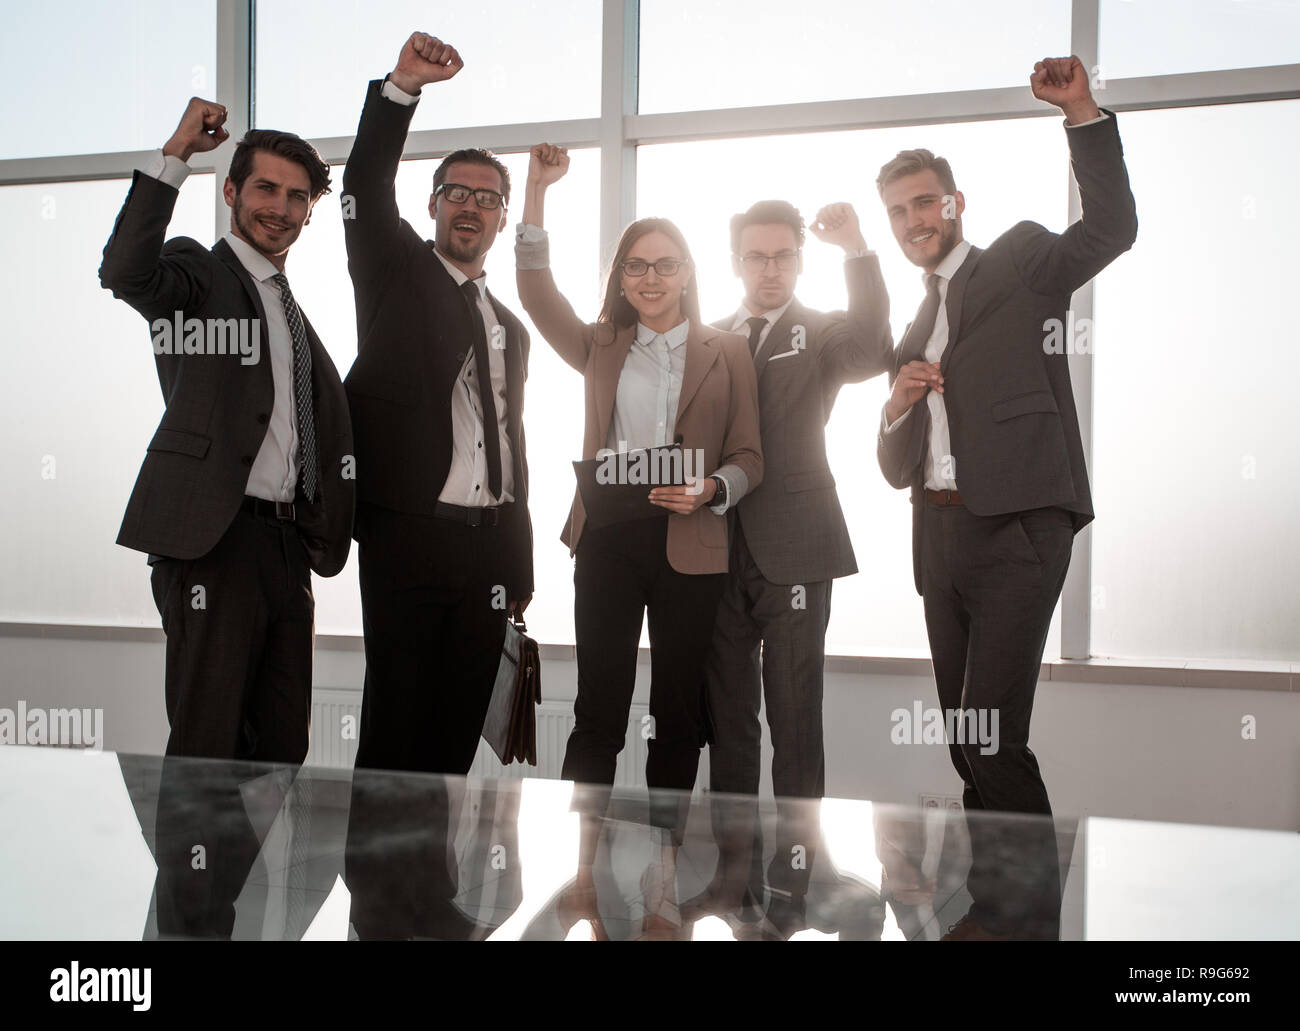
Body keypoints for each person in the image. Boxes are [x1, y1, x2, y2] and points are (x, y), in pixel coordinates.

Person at [876, 56, 1138, 940]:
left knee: (994, 738)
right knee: (963, 740)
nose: (915, 220)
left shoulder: (1023, 260)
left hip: (1020, 527)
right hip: (939, 538)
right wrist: (897, 406)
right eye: (900, 211)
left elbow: (1111, 226)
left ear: (954, 204)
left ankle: (1027, 927)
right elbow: (893, 463)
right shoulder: (914, 328)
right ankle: (995, 912)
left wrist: (1081, 114)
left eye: (926, 202)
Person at [516, 143, 762, 937]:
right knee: (600, 708)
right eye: (635, 267)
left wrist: (713, 489)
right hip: (612, 538)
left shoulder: (729, 350)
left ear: (688, 271)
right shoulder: (600, 345)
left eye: (664, 264)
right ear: (621, 278)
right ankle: (581, 874)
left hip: (693, 540)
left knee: (679, 712)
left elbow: (751, 455)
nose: (650, 278)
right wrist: (538, 191)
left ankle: (661, 883)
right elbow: (532, 287)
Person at [99, 96, 354, 763]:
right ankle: (191, 872)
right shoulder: (201, 276)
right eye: (266, 188)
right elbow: (125, 272)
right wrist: (176, 153)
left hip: (287, 550)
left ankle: (244, 873)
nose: (281, 206)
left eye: (298, 196)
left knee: (278, 756)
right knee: (207, 752)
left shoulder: (291, 310)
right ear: (232, 190)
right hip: (216, 541)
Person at [691, 199, 893, 936]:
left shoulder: (824, 331)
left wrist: (857, 251)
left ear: (799, 263)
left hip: (799, 546)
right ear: (737, 260)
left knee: (795, 715)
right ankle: (730, 874)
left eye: (783, 256)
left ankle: (797, 876)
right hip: (716, 547)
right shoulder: (707, 335)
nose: (769, 269)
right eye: (756, 256)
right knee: (731, 721)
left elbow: (876, 347)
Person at [342, 31, 534, 776]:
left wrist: (517, 564)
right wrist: (402, 89)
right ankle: (379, 892)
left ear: (501, 217)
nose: (472, 207)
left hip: (488, 547)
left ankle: (429, 894)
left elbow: (511, 443)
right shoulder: (394, 272)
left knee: (455, 737)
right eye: (457, 192)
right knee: (397, 730)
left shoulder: (509, 327)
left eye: (488, 199)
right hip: (409, 541)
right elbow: (363, 183)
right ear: (432, 204)